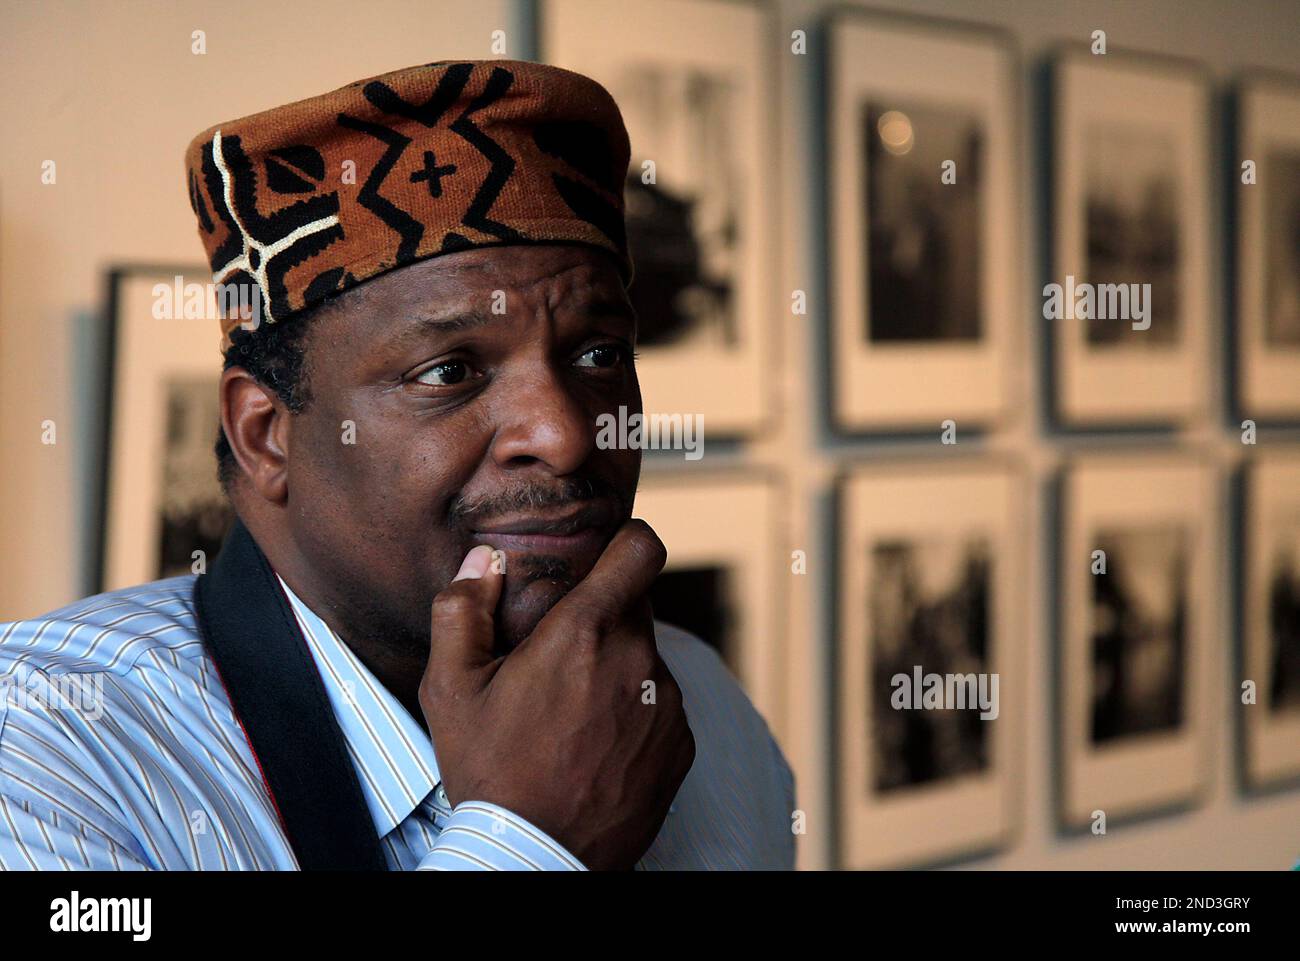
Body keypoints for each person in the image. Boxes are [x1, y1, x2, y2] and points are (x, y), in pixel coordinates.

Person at [0, 59, 794, 870]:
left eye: (597, 353)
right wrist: (534, 839)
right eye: (449, 371)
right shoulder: (45, 743)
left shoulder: (693, 699)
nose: (564, 435)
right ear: (266, 433)